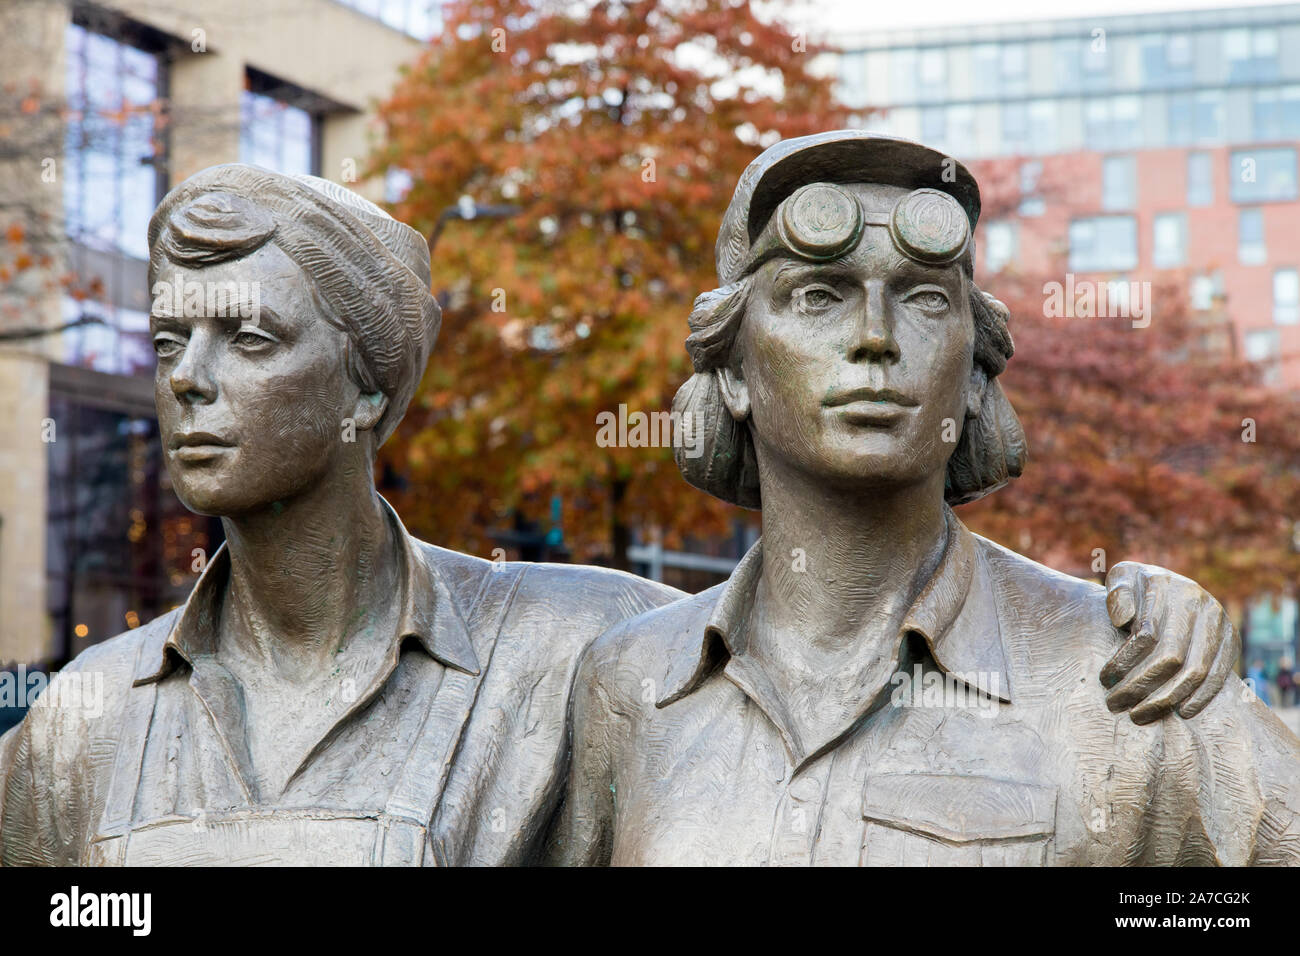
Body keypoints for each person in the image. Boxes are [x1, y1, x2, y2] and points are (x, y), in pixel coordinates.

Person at [0, 162, 1245, 867]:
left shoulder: (584, 650)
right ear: (738, 370)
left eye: (252, 336)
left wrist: (1138, 613)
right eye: (170, 341)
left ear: (370, 384)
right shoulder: (84, 719)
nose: (188, 380)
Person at [548, 131, 1300, 867]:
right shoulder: (628, 684)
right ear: (736, 370)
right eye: (819, 295)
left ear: (976, 377)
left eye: (925, 299)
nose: (876, 336)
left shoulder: (1129, 678)